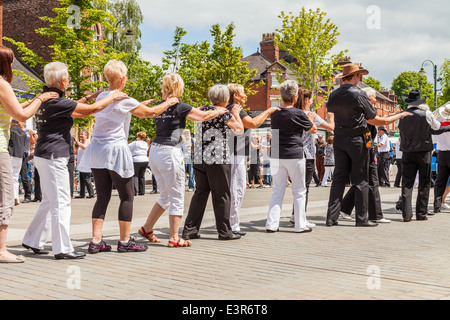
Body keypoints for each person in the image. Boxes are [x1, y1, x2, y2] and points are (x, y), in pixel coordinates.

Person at [21, 61, 128, 260]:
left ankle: (32, 240)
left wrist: (89, 97)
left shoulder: (47, 100)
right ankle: (62, 248)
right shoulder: (58, 102)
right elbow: (89, 110)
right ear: (63, 81)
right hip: (55, 155)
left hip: (44, 154)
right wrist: (112, 96)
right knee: (61, 202)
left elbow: (75, 107)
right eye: (68, 78)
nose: (69, 80)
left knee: (48, 200)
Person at [77, 60, 179, 254]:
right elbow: (150, 114)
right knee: (127, 196)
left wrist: (139, 104)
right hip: (115, 151)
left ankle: (96, 240)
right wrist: (168, 102)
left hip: (97, 151)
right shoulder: (124, 99)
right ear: (123, 78)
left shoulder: (102, 96)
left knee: (102, 197)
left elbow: (118, 111)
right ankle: (125, 241)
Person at [139, 75, 230, 247]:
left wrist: (196, 109)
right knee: (177, 195)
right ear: (179, 88)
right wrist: (218, 111)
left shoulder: (160, 105)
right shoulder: (181, 106)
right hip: (170, 152)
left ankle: (147, 228)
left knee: (165, 196)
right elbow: (202, 117)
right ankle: (174, 237)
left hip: (155, 151)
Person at [0, 45, 58, 263]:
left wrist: (36, 98)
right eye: (12, 60)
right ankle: (2, 250)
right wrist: (41, 100)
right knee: (5, 197)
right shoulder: (2, 83)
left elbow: (12, 107)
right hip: (0, 150)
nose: (14, 63)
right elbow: (21, 113)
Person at [182, 84, 244, 241]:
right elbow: (239, 130)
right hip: (217, 156)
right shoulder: (223, 113)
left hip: (199, 155)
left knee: (200, 192)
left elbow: (189, 115)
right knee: (222, 194)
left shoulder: (202, 111)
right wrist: (236, 113)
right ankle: (224, 231)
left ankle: (190, 229)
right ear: (225, 99)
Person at [340, 87, 410, 223]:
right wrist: (400, 116)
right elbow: (381, 121)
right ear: (367, 98)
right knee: (369, 181)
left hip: (368, 148)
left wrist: (393, 115)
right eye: (373, 97)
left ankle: (346, 208)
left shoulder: (368, 110)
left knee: (367, 181)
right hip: (364, 148)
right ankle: (373, 214)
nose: (376, 99)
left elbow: (381, 119)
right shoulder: (363, 111)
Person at [325, 63, 378, 227]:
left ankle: (331, 218)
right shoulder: (359, 93)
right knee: (360, 179)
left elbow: (330, 110)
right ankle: (361, 218)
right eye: (359, 76)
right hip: (357, 139)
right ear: (355, 76)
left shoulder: (333, 94)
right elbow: (372, 114)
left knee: (339, 178)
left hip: (340, 138)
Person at [226, 83, 279, 236]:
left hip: (236, 153)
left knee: (237, 188)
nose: (245, 95)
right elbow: (254, 123)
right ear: (235, 95)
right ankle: (232, 225)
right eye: (242, 92)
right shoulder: (236, 109)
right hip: (236, 154)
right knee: (237, 188)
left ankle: (231, 223)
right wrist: (268, 111)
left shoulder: (231, 109)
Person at [265, 80, 317, 233]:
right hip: (294, 153)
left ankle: (271, 224)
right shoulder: (298, 113)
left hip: (276, 154)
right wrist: (311, 120)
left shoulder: (274, 112)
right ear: (295, 97)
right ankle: (300, 225)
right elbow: (312, 129)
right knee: (299, 191)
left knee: (277, 190)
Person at [289, 87, 335, 226]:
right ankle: (300, 217)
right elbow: (330, 127)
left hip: (293, 153)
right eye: (311, 98)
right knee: (305, 187)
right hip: (307, 154)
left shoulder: (292, 113)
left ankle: (294, 215)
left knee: (298, 186)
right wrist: (331, 118)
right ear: (307, 100)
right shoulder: (311, 115)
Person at [398, 90, 441, 222]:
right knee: (424, 183)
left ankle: (406, 214)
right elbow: (437, 127)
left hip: (407, 151)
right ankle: (421, 213)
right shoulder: (426, 114)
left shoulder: (401, 115)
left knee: (407, 182)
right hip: (423, 151)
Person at [433, 103, 450, 213]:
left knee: (440, 181)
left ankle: (437, 204)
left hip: (442, 154)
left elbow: (434, 140)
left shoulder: (439, 125)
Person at [8, 119, 27, 205]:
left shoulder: (10, 131)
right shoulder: (23, 133)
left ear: (12, 123)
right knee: (15, 177)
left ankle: (11, 197)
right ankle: (16, 197)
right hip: (20, 156)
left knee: (9, 177)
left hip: (11, 154)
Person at [74, 129, 95, 198]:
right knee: (81, 179)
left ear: (86, 136)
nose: (80, 135)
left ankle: (91, 193)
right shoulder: (80, 142)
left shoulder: (87, 141)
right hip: (81, 163)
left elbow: (84, 148)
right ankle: (82, 193)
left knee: (86, 178)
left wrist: (77, 142)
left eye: (82, 134)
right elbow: (77, 153)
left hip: (86, 163)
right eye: (80, 134)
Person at [18, 121, 35, 203]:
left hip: (24, 154)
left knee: (24, 176)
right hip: (16, 154)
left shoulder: (26, 131)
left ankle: (28, 196)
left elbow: (32, 142)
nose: (18, 123)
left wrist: (31, 134)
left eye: (19, 122)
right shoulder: (15, 130)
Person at [128, 131, 149, 196]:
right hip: (145, 160)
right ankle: (142, 191)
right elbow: (147, 149)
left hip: (136, 159)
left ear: (138, 137)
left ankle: (135, 191)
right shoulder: (145, 143)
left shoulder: (135, 143)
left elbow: (127, 148)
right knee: (142, 176)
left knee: (135, 175)